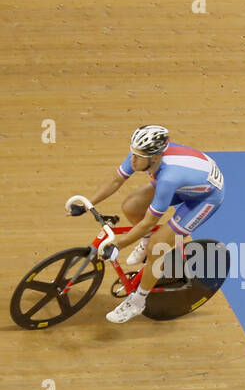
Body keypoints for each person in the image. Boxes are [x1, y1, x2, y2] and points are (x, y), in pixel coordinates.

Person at [73, 125, 225, 322]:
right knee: (131, 206)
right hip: (189, 182)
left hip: (205, 198)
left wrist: (118, 245)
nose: (132, 160)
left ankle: (138, 301)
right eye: (132, 153)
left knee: (157, 246)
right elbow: (115, 180)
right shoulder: (143, 155)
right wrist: (88, 204)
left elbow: (148, 222)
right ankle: (144, 244)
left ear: (154, 157)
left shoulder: (169, 178)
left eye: (138, 156)